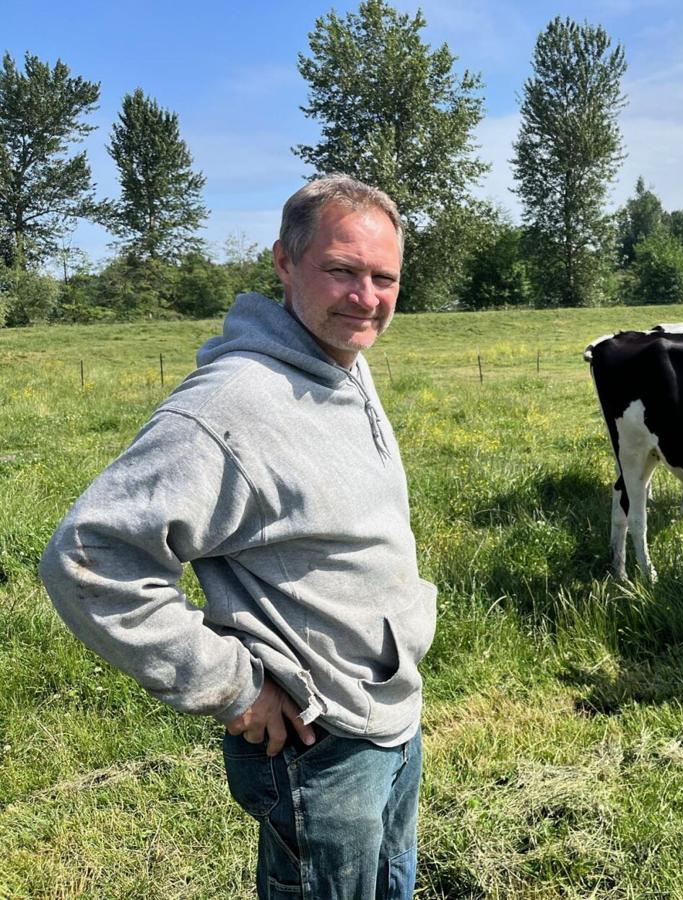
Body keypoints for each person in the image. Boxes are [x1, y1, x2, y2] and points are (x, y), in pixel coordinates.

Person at [39, 175, 437, 899]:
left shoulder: (342, 364)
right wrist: (237, 689)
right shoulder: (231, 407)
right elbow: (89, 557)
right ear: (285, 263)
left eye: (385, 278)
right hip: (320, 743)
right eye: (342, 271)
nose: (366, 297)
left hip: (386, 711)